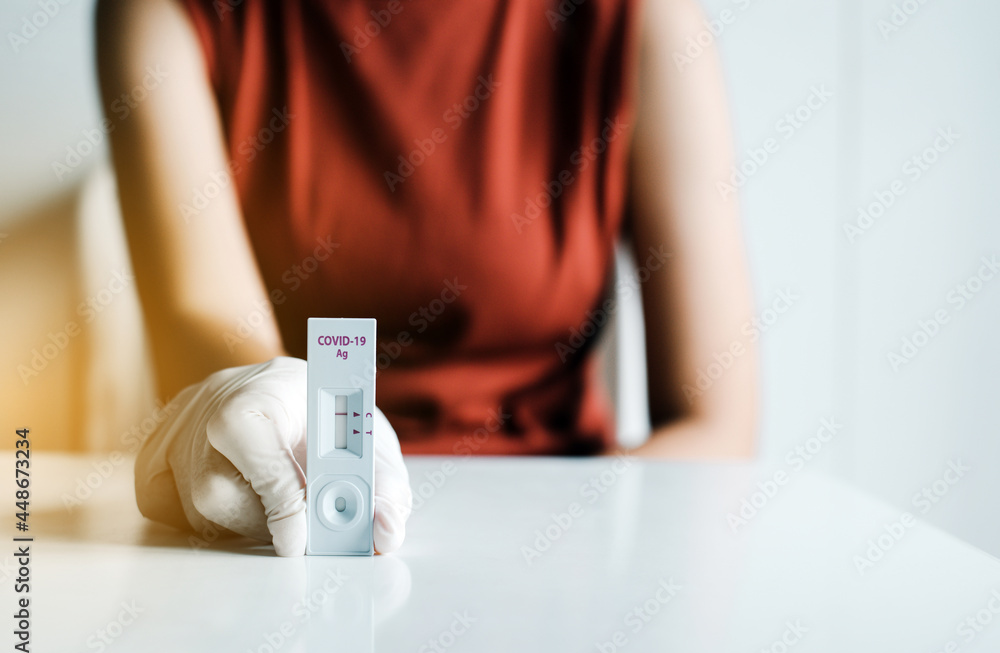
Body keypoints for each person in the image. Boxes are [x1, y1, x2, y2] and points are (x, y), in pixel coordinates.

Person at [95, 0, 758, 556]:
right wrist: (263, 428)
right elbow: (209, 335)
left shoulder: (640, 16)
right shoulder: (166, 13)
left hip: (564, 546)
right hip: (302, 537)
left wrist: (552, 542)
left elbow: (719, 425)